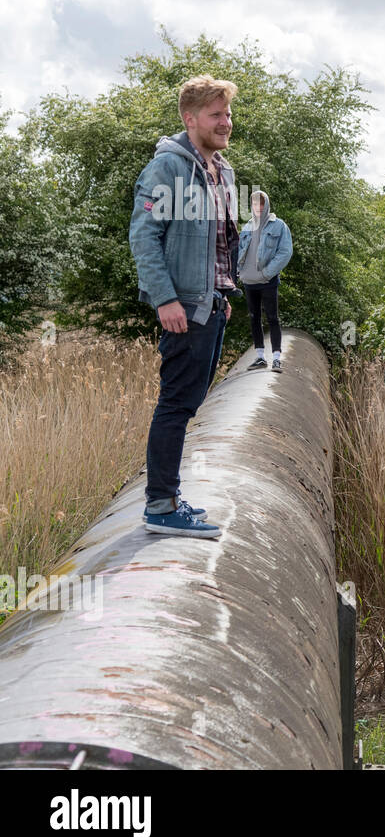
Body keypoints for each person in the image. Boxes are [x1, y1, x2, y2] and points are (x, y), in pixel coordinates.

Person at [128, 75, 241, 540]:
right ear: (189, 118)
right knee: (175, 404)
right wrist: (165, 299)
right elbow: (144, 236)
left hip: (210, 305)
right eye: (216, 115)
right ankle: (160, 505)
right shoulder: (168, 169)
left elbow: (218, 243)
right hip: (182, 308)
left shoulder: (222, 171)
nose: (226, 122)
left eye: (228, 114)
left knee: (188, 403)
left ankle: (170, 496)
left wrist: (224, 292)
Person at [238, 190, 293, 372]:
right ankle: (260, 357)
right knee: (254, 318)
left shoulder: (279, 226)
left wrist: (267, 273)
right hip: (249, 282)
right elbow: (238, 251)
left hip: (267, 281)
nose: (258, 207)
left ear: (266, 205)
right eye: (254, 204)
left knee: (273, 318)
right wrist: (240, 272)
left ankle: (276, 358)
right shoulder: (246, 227)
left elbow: (285, 252)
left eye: (261, 204)